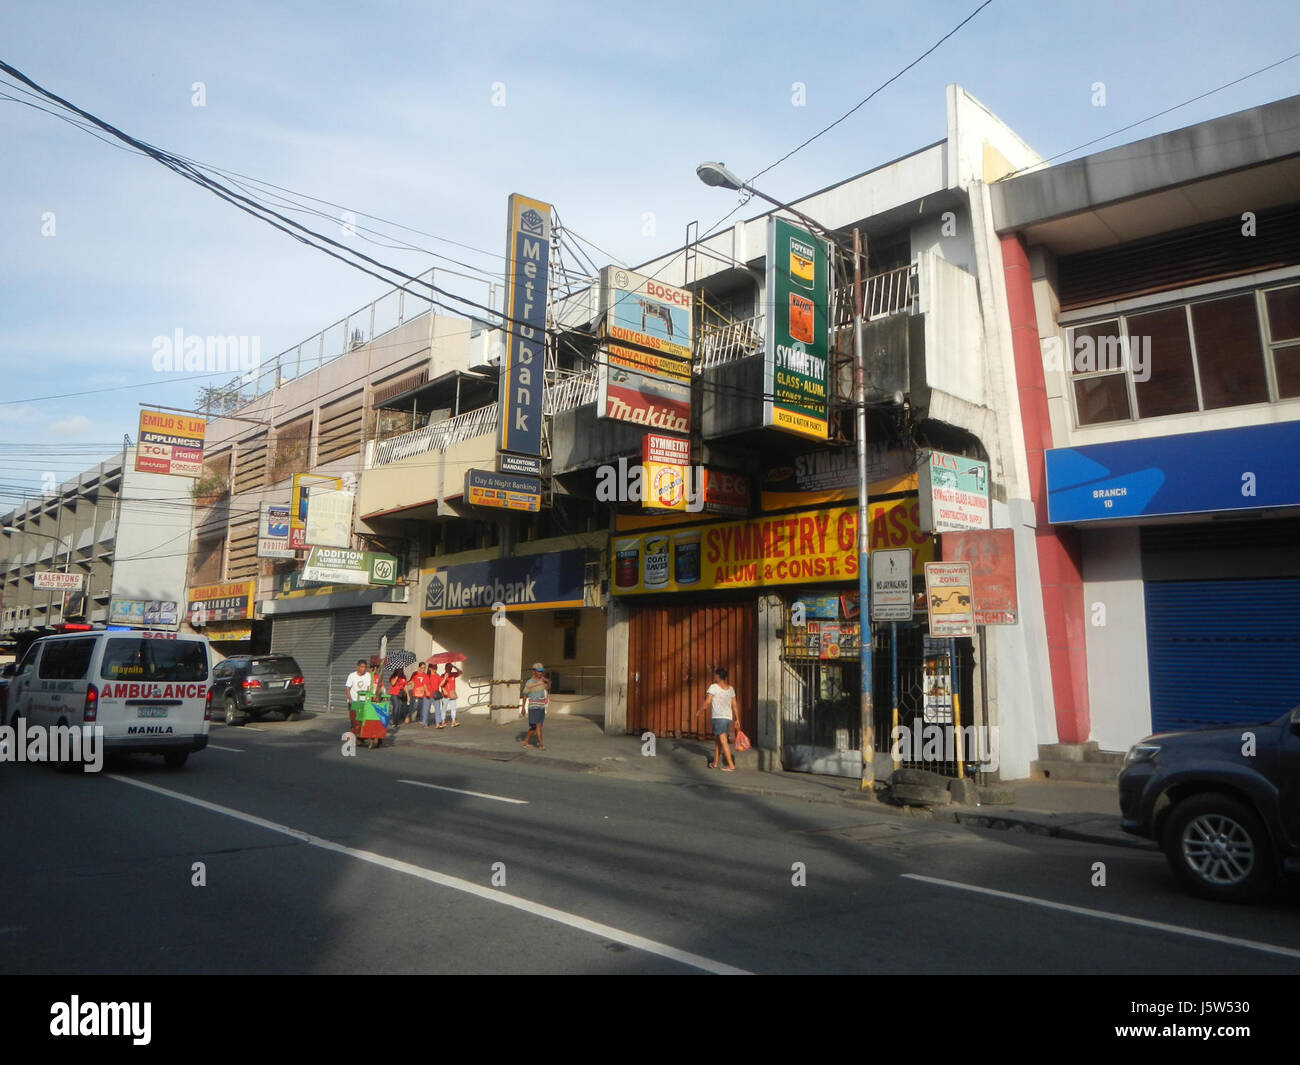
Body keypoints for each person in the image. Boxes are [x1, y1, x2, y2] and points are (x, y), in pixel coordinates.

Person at [702, 667, 737, 771]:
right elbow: (734, 705)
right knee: (718, 741)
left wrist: (700, 710)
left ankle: (731, 765)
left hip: (718, 717)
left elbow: (708, 702)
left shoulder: (713, 687)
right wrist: (737, 719)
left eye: (715, 675)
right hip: (728, 718)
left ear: (718, 676)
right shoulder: (730, 689)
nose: (714, 677)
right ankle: (715, 763)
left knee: (723, 740)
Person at [520, 662, 550, 750]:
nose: (540, 673)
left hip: (541, 707)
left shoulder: (542, 680)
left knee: (534, 727)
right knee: (538, 726)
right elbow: (525, 695)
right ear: (534, 671)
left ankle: (525, 742)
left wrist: (548, 682)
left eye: (541, 671)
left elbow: (548, 689)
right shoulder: (529, 682)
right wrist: (523, 708)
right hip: (534, 707)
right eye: (539, 671)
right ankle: (541, 745)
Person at [437, 662, 462, 728]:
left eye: (450, 667)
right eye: (448, 667)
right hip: (445, 695)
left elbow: (460, 672)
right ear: (445, 668)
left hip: (452, 694)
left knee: (453, 708)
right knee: (444, 709)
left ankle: (453, 722)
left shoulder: (453, 674)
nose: (449, 668)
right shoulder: (442, 675)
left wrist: (454, 667)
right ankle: (443, 722)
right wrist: (445, 678)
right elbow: (440, 685)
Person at [409, 663, 434, 727]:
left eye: (424, 668)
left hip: (423, 694)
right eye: (422, 668)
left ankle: (421, 719)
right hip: (416, 693)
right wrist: (410, 683)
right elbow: (410, 681)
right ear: (419, 667)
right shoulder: (415, 674)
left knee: (423, 707)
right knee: (415, 706)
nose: (423, 669)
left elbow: (427, 684)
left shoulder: (425, 675)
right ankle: (409, 716)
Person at [428, 660, 444, 727]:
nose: (435, 669)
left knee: (437, 710)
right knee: (426, 710)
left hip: (436, 695)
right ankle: (425, 722)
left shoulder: (437, 675)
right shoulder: (427, 676)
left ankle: (438, 724)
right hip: (428, 695)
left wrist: (445, 678)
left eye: (436, 667)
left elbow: (441, 684)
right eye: (434, 667)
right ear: (430, 668)